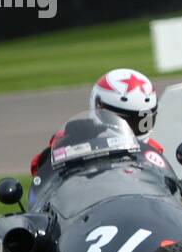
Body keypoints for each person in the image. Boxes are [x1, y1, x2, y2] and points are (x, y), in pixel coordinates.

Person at [30, 68, 162, 178]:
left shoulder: (152, 150)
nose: (135, 129)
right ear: (99, 108)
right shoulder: (73, 137)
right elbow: (40, 174)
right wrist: (66, 146)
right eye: (127, 121)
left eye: (145, 120)